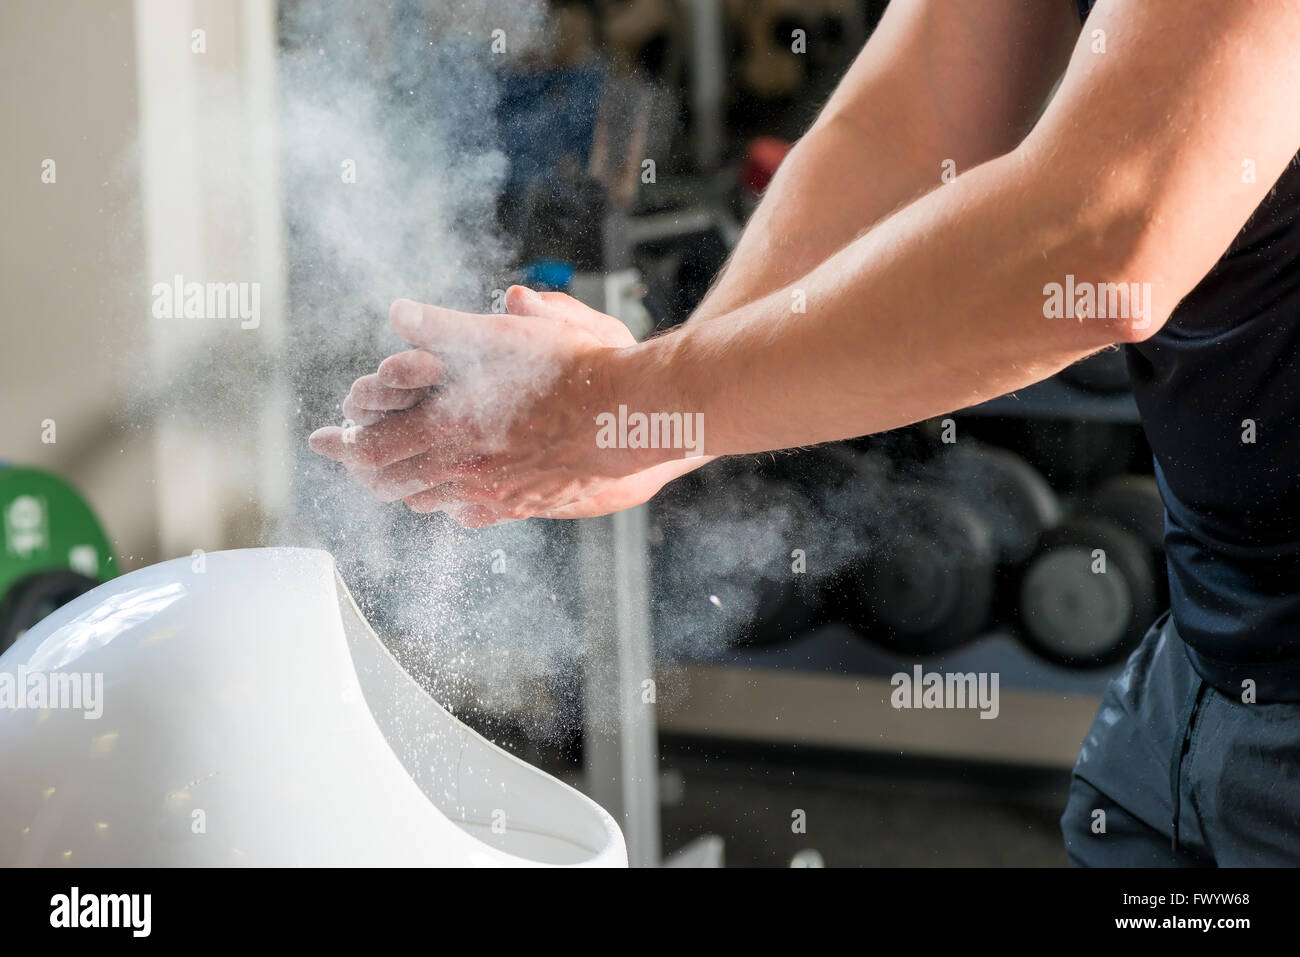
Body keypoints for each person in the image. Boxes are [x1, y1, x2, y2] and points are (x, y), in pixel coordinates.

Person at [309, 0, 1300, 865]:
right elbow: (915, 123)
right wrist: (660, 420)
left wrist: (638, 400)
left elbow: (1111, 231)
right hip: (1209, 644)